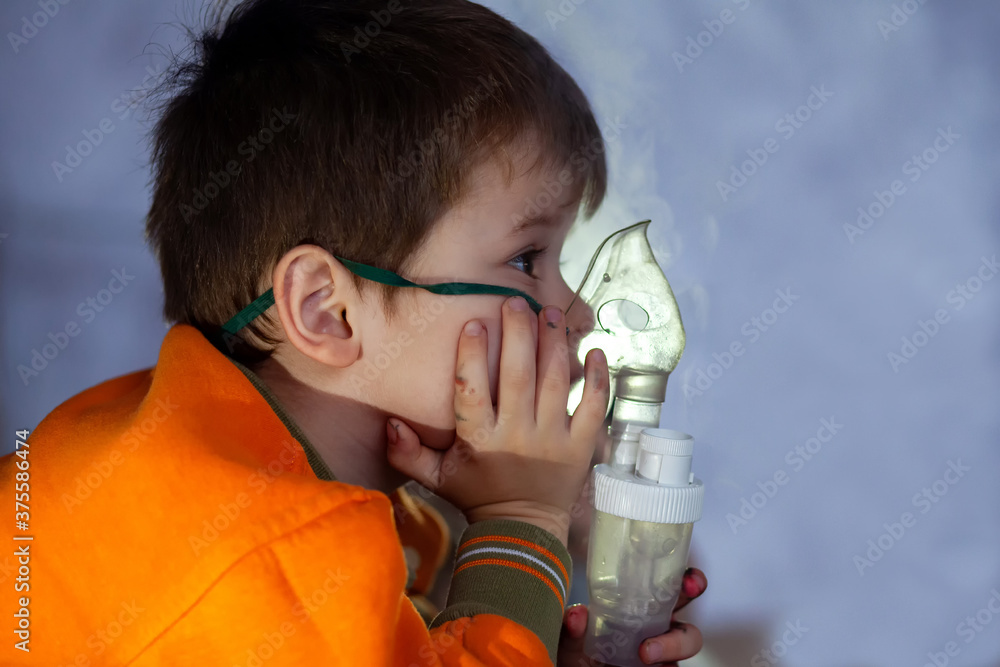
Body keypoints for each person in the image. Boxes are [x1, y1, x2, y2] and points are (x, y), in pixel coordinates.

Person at [1, 1, 705, 664]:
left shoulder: (171, 442)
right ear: (327, 311)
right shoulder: (273, 550)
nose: (575, 312)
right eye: (528, 260)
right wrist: (523, 519)